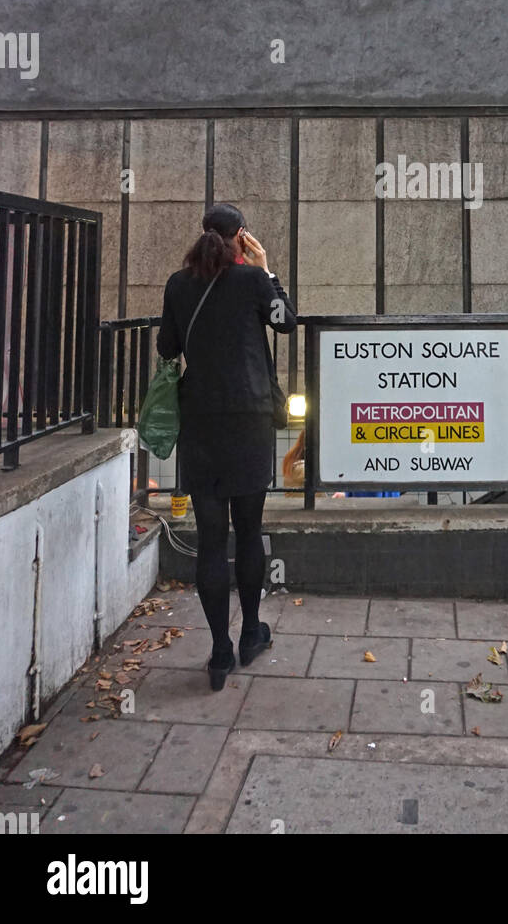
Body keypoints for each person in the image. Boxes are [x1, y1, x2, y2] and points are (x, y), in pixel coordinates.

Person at [156, 203, 297, 690]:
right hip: (249, 418)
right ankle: (251, 634)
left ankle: (219, 653)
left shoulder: (178, 283)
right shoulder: (251, 280)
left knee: (211, 538)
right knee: (250, 527)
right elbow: (286, 322)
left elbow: (167, 347)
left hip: (201, 423)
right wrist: (266, 270)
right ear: (241, 236)